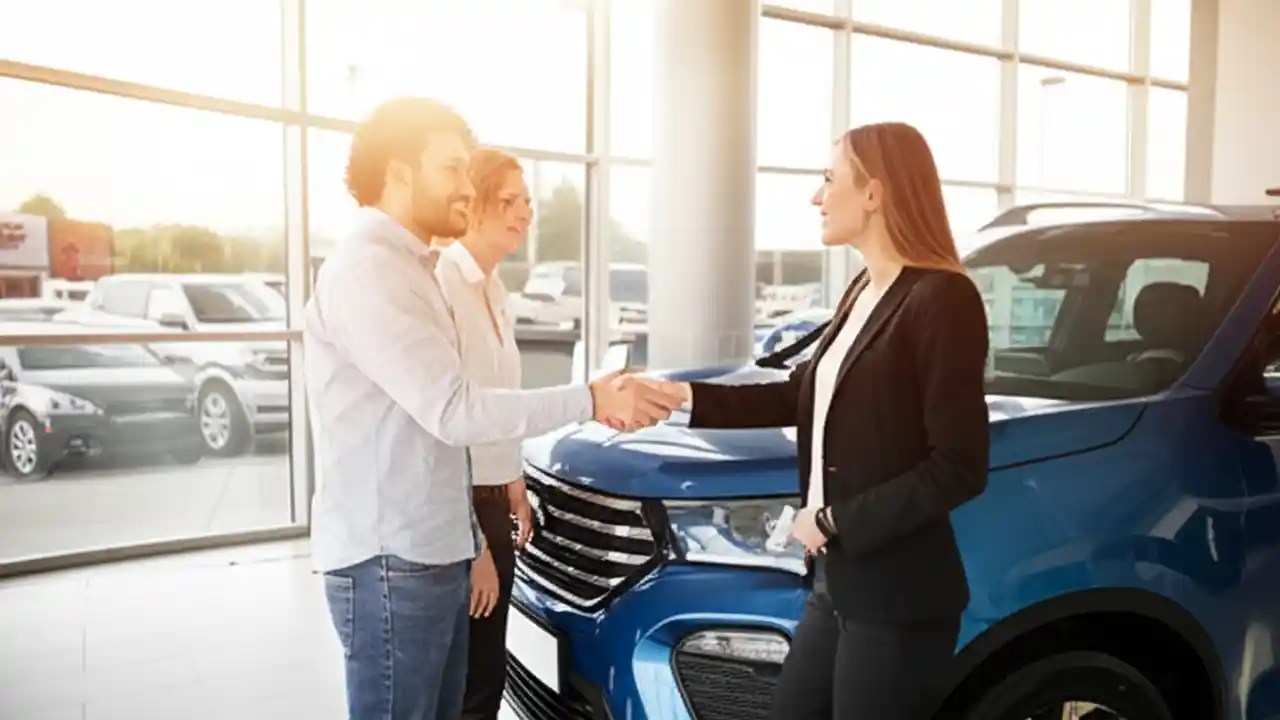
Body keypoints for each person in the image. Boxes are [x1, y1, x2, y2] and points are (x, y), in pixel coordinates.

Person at [304, 97, 683, 720]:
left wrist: (470, 532)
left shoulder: (410, 266)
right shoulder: (369, 271)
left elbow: (439, 434)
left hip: (427, 550)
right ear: (398, 172)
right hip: (390, 563)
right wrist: (590, 398)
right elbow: (453, 410)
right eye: (451, 168)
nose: (464, 185)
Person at [644, 122, 990, 719]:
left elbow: (958, 467)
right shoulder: (864, 290)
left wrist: (832, 520)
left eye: (829, 179)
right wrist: (678, 395)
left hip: (899, 597)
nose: (816, 196)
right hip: (838, 581)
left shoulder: (942, 299)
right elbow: (798, 395)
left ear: (875, 193)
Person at [431, 147, 536, 720]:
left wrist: (512, 481)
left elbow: (497, 404)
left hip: (492, 502)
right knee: (470, 686)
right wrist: (473, 546)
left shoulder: (494, 289)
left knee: (487, 672)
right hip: (458, 510)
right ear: (472, 207)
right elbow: (448, 425)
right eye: (509, 200)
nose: (524, 212)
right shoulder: (446, 286)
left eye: (527, 201)